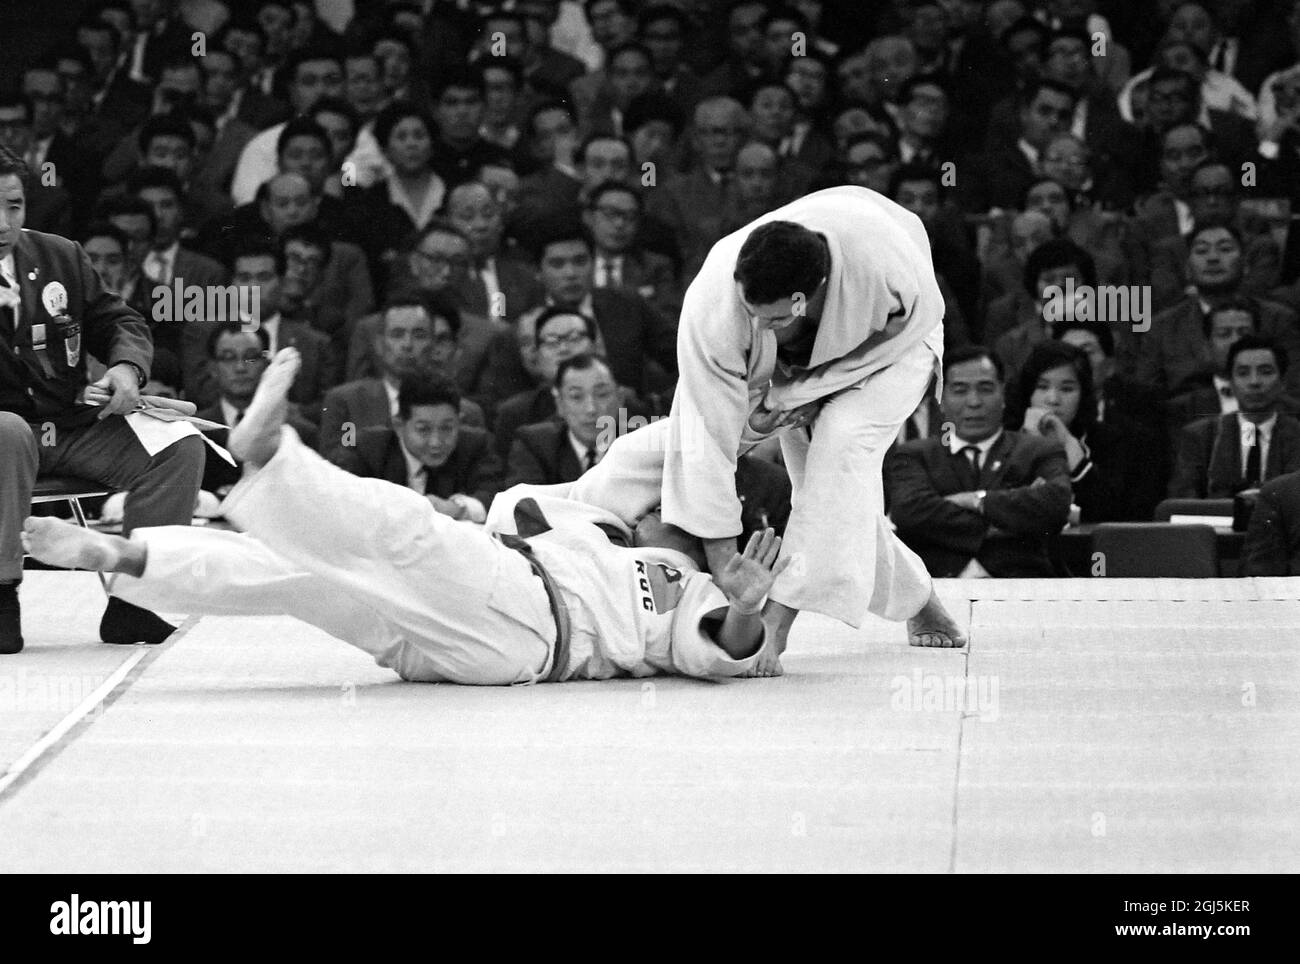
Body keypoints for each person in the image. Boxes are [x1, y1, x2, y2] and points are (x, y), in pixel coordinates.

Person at [21, 348, 786, 683]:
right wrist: (749, 413)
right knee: (300, 577)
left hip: (529, 621)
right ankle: (123, 559)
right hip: (469, 646)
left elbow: (722, 654)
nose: (647, 506)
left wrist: (747, 610)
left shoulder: (687, 583)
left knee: (404, 525)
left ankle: (271, 455)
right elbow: (654, 450)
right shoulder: (594, 523)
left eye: (662, 507)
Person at [499, 185, 966, 666]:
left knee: (839, 447)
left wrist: (805, 392)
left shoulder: (884, 262)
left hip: (893, 355)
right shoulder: (713, 302)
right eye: (753, 313)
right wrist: (724, 561)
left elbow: (914, 326)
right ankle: (551, 512)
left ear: (814, 293)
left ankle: (779, 623)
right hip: (786, 373)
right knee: (642, 455)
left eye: (778, 317)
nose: (761, 326)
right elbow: (703, 434)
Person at [0, 146, 204, 653]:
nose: (4, 222)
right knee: (7, 432)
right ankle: (1, 594)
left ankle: (135, 599)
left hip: (67, 422)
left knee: (178, 447)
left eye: (13, 205)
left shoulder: (59, 255)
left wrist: (125, 368)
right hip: (6, 432)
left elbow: (120, 321)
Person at [884, 346, 1074, 577]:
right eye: (960, 390)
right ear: (942, 399)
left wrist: (977, 500)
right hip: (937, 587)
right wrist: (1006, 523)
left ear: (1003, 394)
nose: (974, 402)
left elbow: (1055, 504)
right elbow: (909, 512)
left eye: (985, 389)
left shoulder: (1039, 450)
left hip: (1021, 587)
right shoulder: (915, 455)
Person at [1168, 335, 1300, 497]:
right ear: (1230, 382)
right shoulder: (1201, 436)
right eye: (1243, 373)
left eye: (1265, 372)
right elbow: (1183, 503)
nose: (1254, 382)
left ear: (1283, 382)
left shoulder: (1296, 434)